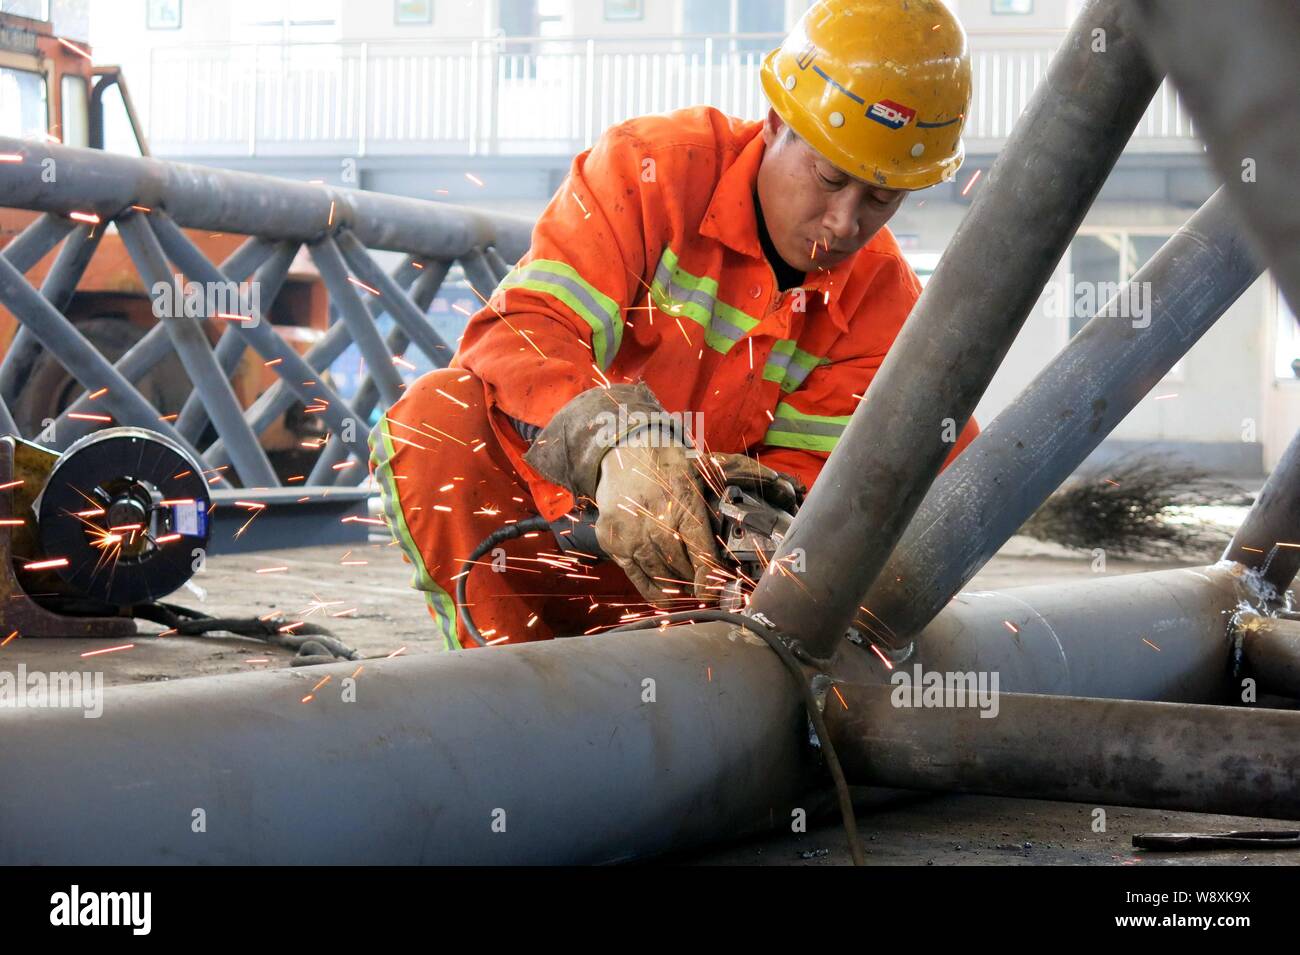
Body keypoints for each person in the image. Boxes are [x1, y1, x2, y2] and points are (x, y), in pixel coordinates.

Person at [370, 0, 978, 649]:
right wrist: (618, 443)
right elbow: (522, 331)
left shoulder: (883, 301)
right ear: (776, 124)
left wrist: (763, 517)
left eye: (880, 199)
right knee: (439, 416)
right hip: (557, 531)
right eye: (830, 178)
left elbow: (880, 490)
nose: (843, 223)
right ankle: (505, 690)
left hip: (700, 596)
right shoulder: (650, 173)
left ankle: (705, 711)